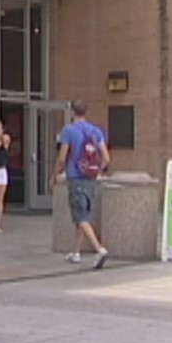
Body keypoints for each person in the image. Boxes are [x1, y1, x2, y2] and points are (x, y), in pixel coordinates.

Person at [53, 100, 113, 269]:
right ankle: (76, 252)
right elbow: (106, 158)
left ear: (72, 112)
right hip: (91, 180)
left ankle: (99, 249)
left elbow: (62, 157)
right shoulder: (95, 131)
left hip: (76, 178)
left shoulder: (69, 130)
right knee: (83, 215)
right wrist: (96, 171)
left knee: (80, 217)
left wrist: (56, 174)